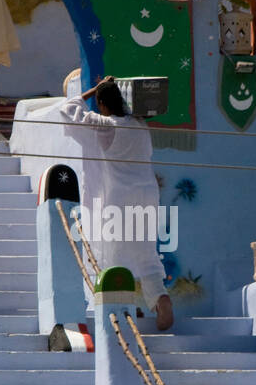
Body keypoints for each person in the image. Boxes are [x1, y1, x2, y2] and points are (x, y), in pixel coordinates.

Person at [63, 76, 174, 331]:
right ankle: (160, 298)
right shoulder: (140, 124)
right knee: (146, 254)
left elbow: (68, 110)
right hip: (147, 196)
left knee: (114, 255)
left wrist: (93, 90)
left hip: (119, 199)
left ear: (102, 103)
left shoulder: (104, 126)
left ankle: (125, 306)